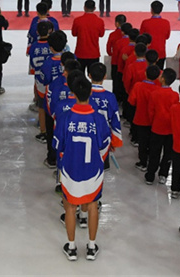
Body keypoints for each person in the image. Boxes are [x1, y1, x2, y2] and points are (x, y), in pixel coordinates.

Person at [53, 75, 110, 262]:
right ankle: (92, 246)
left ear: (73, 93)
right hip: (93, 171)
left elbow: (58, 146)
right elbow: (104, 146)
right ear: (90, 92)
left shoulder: (65, 118)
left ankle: (71, 247)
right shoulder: (98, 119)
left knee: (69, 206)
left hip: (70, 170)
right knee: (93, 206)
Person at [71, 0, 105, 73]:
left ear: (84, 7)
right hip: (94, 53)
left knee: (79, 76)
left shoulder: (77, 20)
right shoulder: (99, 21)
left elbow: (74, 33)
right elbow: (101, 34)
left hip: (80, 53)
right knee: (94, 77)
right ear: (95, 8)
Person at [140, 1, 171, 68]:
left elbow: (141, 37)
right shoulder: (166, 23)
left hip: (148, 53)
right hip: (161, 52)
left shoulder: (145, 23)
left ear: (151, 10)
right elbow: (167, 36)